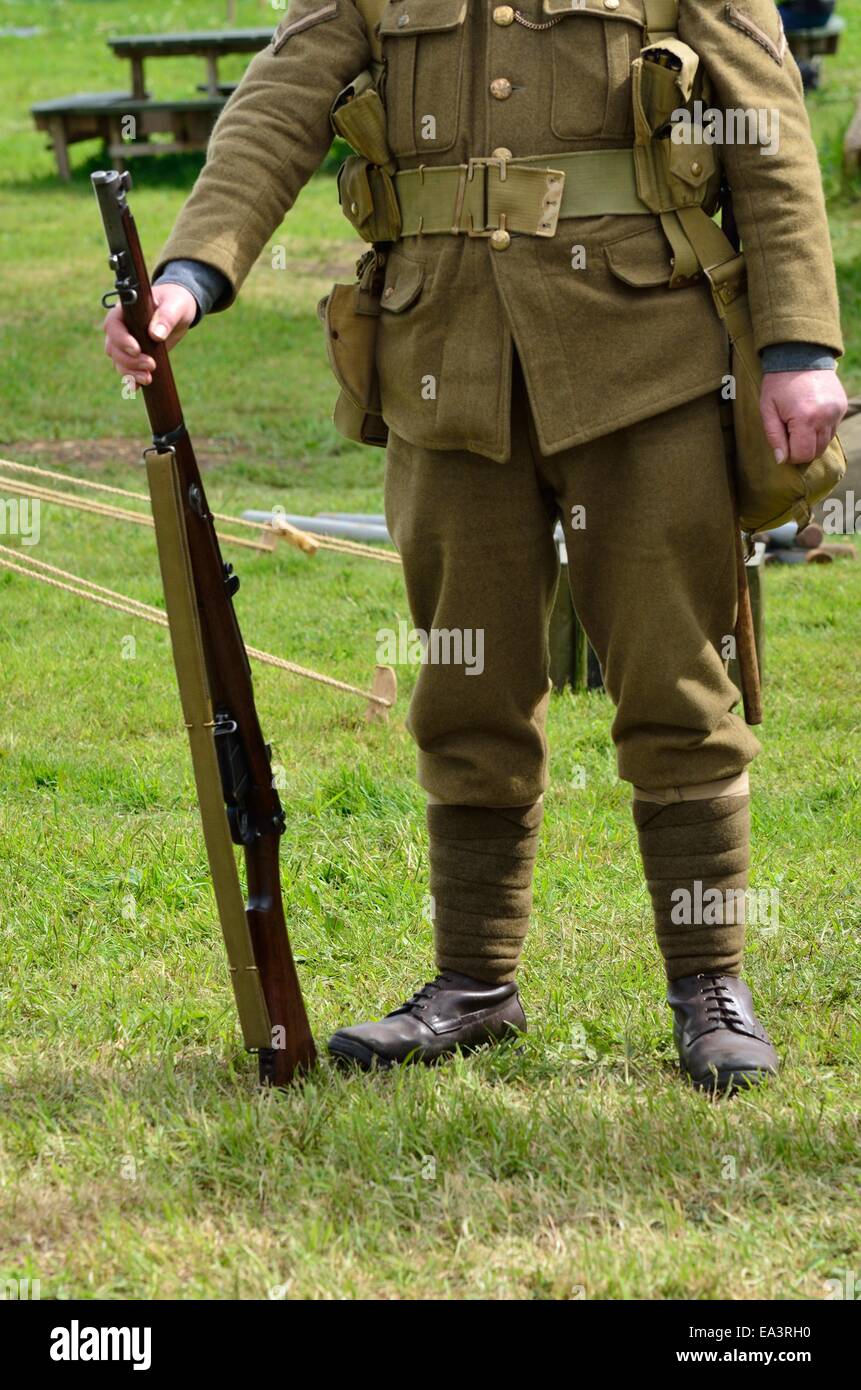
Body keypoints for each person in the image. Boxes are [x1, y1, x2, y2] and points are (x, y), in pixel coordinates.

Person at [103, 0, 846, 1091]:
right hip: (445, 360)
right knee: (466, 686)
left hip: (646, 358)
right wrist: (190, 273)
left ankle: (709, 983)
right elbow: (281, 101)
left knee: (678, 683)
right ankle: (474, 985)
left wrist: (798, 345)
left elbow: (766, 129)